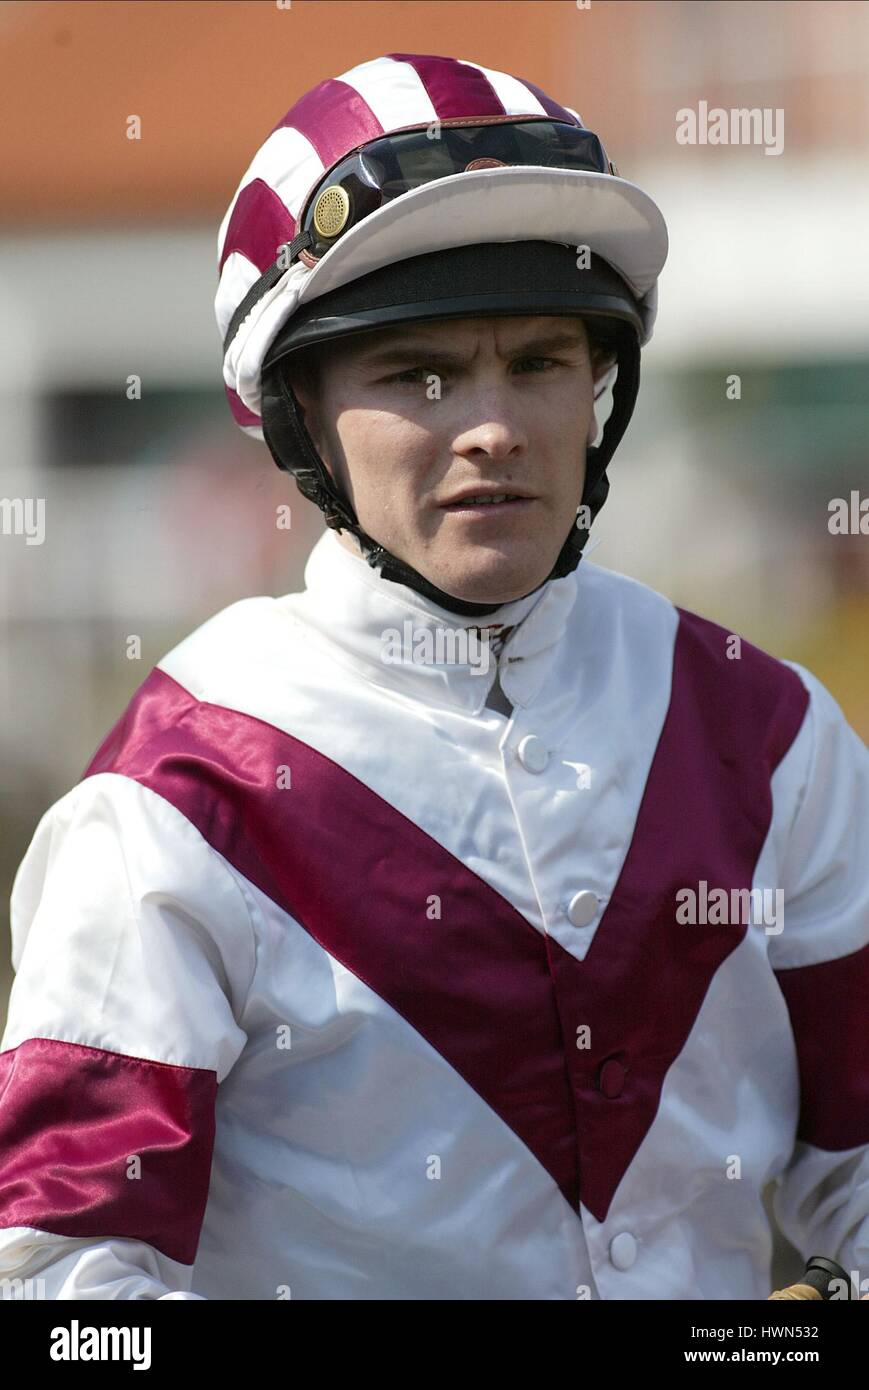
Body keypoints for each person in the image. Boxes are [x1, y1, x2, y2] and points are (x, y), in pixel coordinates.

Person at [1, 52, 867, 1302]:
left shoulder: (769, 729)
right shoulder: (176, 792)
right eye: (418, 374)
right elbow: (63, 1299)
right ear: (299, 412)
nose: (493, 427)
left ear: (599, 392)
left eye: (539, 362)